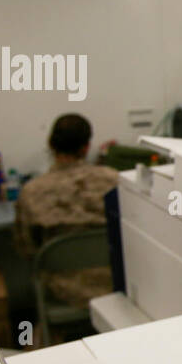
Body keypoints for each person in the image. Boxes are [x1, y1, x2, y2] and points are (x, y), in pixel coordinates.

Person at [13, 113, 118, 308]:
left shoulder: (31, 192)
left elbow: (26, 249)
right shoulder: (113, 181)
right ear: (86, 147)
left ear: (51, 145)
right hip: (113, 286)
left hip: (62, 291)